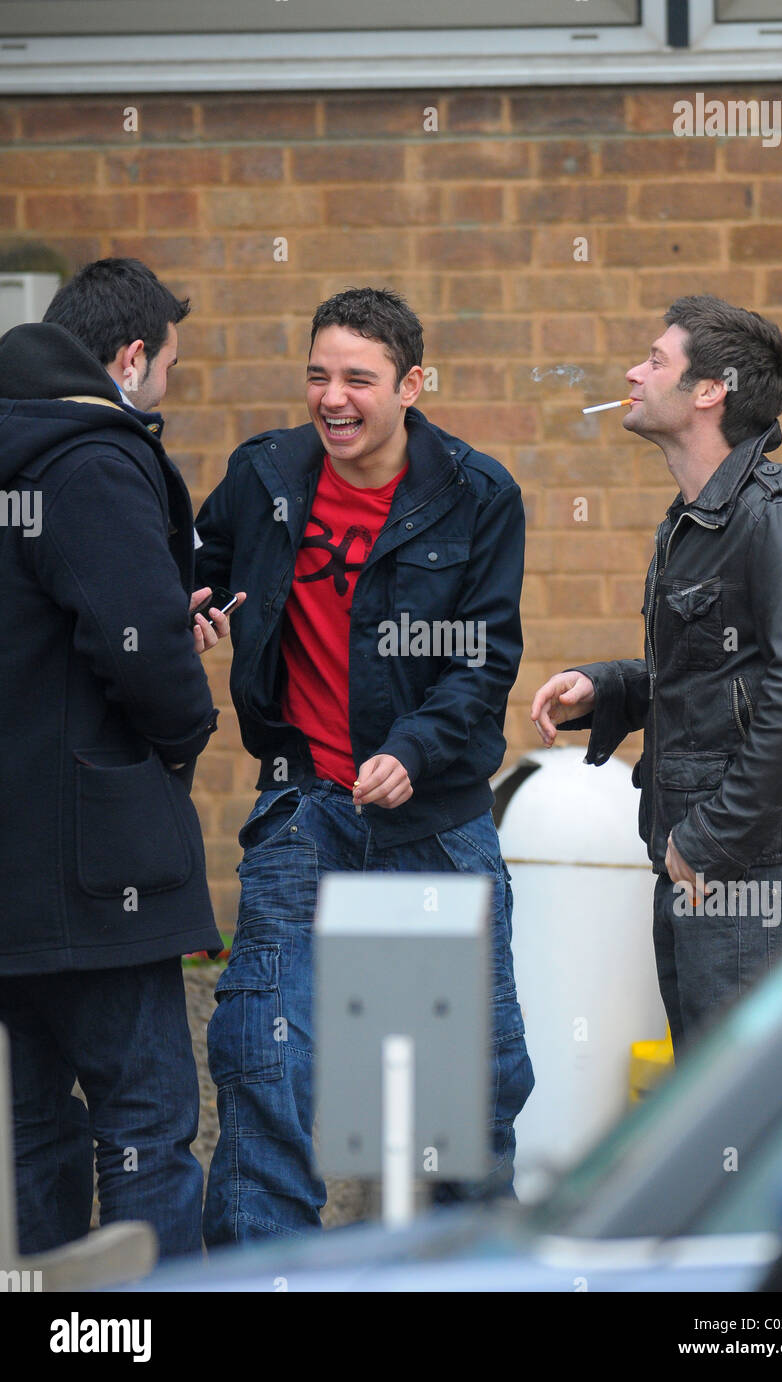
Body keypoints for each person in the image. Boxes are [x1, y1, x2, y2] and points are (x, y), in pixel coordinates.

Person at [196, 285, 534, 1244]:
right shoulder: (266, 472)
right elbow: (205, 554)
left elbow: (480, 663)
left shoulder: (475, 493)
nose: (331, 398)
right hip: (305, 807)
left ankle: (469, 1269)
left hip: (431, 820)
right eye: (317, 375)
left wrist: (409, 750)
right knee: (268, 1062)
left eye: (357, 379)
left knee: (464, 1091)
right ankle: (263, 1276)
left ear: (411, 386)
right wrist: (194, 604)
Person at [531, 295, 782, 1053]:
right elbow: (714, 677)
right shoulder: (692, 520)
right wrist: (606, 688)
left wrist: (710, 839)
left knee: (741, 1127)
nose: (633, 374)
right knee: (709, 1115)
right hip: (696, 866)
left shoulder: (773, 514)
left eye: (655, 360)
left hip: (746, 875)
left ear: (709, 391)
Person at [0, 257, 236, 1261]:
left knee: (31, 1135)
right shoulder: (89, 458)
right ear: (129, 357)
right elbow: (135, 648)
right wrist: (184, 725)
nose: (167, 388)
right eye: (170, 366)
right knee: (143, 1128)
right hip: (99, 881)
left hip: (14, 876)